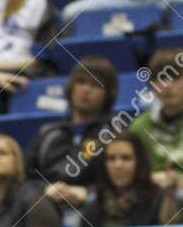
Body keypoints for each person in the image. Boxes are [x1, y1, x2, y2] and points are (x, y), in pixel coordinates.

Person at [26, 57, 119, 208]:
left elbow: (125, 180)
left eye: (96, 85)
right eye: (81, 82)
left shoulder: (116, 133)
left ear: (108, 94)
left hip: (98, 207)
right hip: (47, 205)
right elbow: (26, 178)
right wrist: (46, 188)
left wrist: (88, 193)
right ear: (71, 88)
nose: (86, 90)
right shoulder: (48, 133)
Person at [130, 47, 183, 180]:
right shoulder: (139, 127)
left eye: (176, 78)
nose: (168, 85)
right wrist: (153, 180)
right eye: (162, 78)